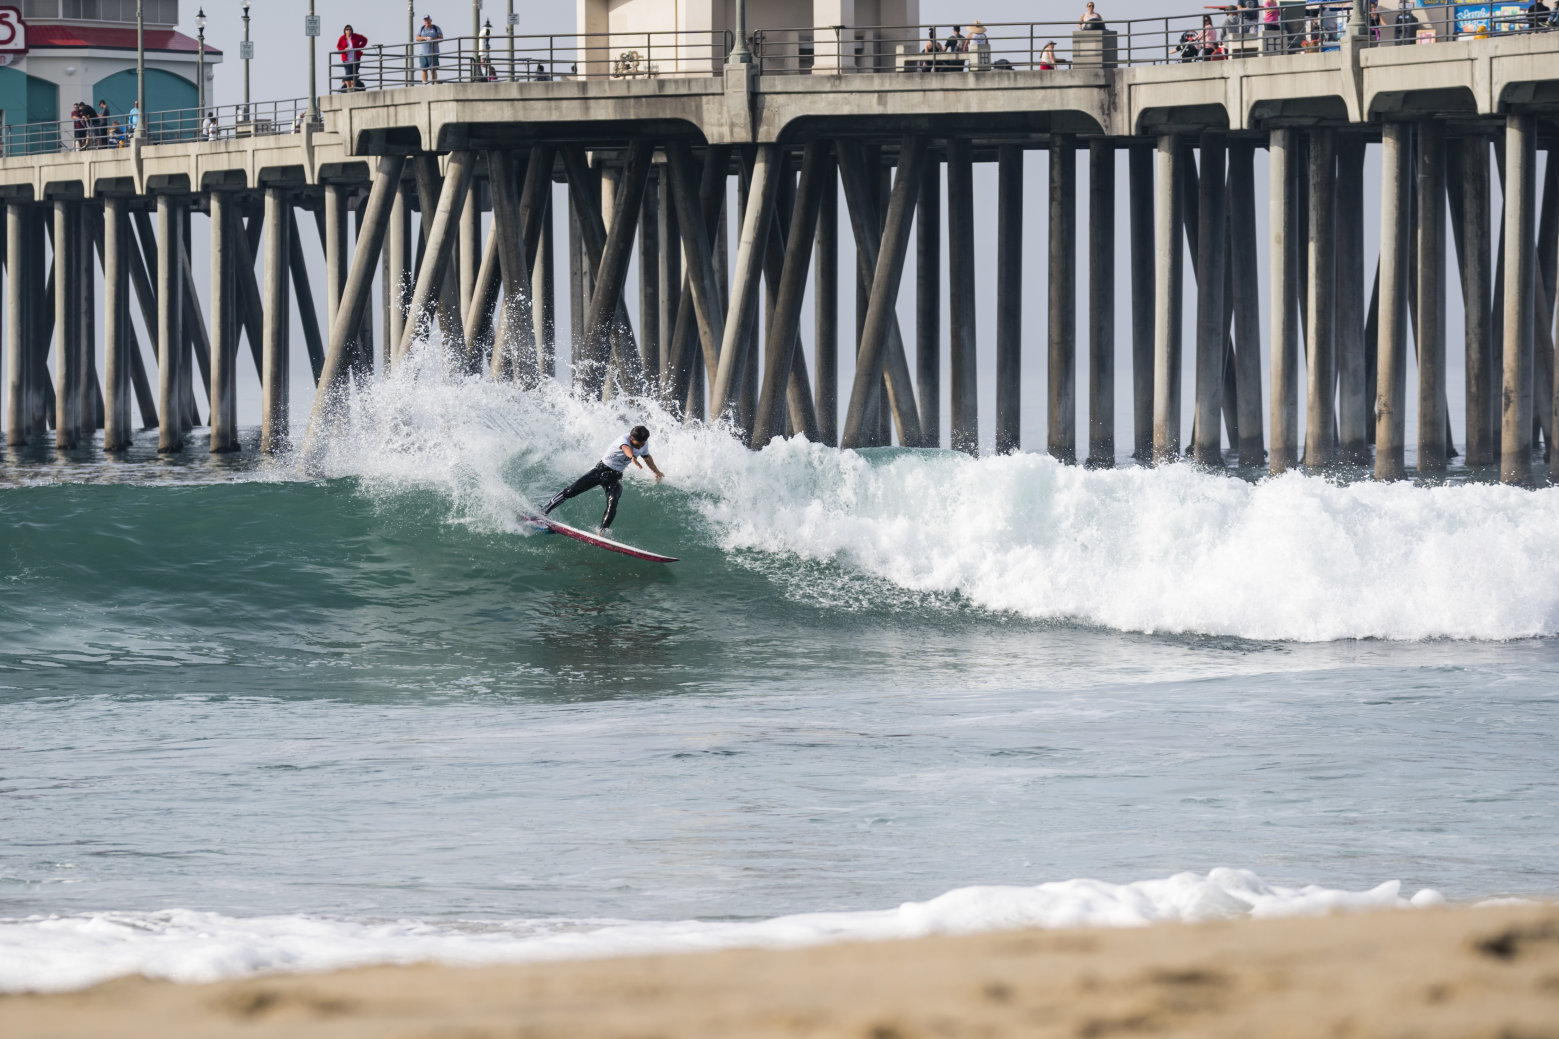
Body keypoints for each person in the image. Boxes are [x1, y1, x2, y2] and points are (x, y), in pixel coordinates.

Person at [541, 426, 664, 531]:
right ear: (632, 438)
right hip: (601, 471)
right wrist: (632, 457)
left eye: (643, 443)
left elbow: (647, 458)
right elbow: (626, 449)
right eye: (639, 444)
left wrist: (656, 472)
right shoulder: (623, 440)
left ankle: (602, 531)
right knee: (570, 492)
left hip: (615, 476)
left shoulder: (643, 443)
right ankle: (544, 511)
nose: (641, 446)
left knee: (613, 502)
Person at [337, 24, 367, 91]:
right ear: (344, 31)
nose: (348, 31)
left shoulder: (355, 36)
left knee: (354, 73)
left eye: (350, 29)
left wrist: (359, 47)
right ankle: (349, 88)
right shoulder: (342, 38)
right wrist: (344, 49)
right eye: (347, 29)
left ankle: (353, 88)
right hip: (346, 59)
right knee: (348, 74)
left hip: (355, 58)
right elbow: (338, 46)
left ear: (352, 30)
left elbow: (364, 39)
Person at [415, 15, 444, 84]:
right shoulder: (421, 28)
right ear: (424, 22)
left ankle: (433, 83)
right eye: (425, 20)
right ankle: (424, 84)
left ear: (430, 20)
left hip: (433, 53)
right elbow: (417, 38)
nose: (427, 22)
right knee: (424, 69)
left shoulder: (436, 28)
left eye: (428, 20)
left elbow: (441, 38)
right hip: (423, 53)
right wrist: (425, 38)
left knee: (433, 69)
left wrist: (432, 40)